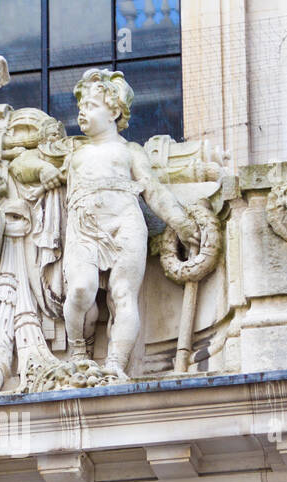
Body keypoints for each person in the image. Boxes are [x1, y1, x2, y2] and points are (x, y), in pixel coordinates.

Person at [46, 69, 199, 378]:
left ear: (114, 111)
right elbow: (26, 163)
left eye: (91, 106)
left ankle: (115, 362)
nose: (82, 112)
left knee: (123, 294)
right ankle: (78, 351)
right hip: (84, 226)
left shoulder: (130, 151)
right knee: (79, 289)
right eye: (80, 107)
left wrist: (182, 223)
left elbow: (153, 191)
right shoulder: (74, 152)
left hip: (125, 223)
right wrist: (40, 171)